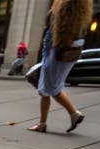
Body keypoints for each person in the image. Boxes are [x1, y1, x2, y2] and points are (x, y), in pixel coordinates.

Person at [27, 0, 92, 134]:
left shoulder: (58, 11)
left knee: (46, 89)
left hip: (57, 52)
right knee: (53, 86)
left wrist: (43, 55)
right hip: (70, 53)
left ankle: (43, 123)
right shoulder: (81, 13)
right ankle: (73, 114)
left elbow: (50, 34)